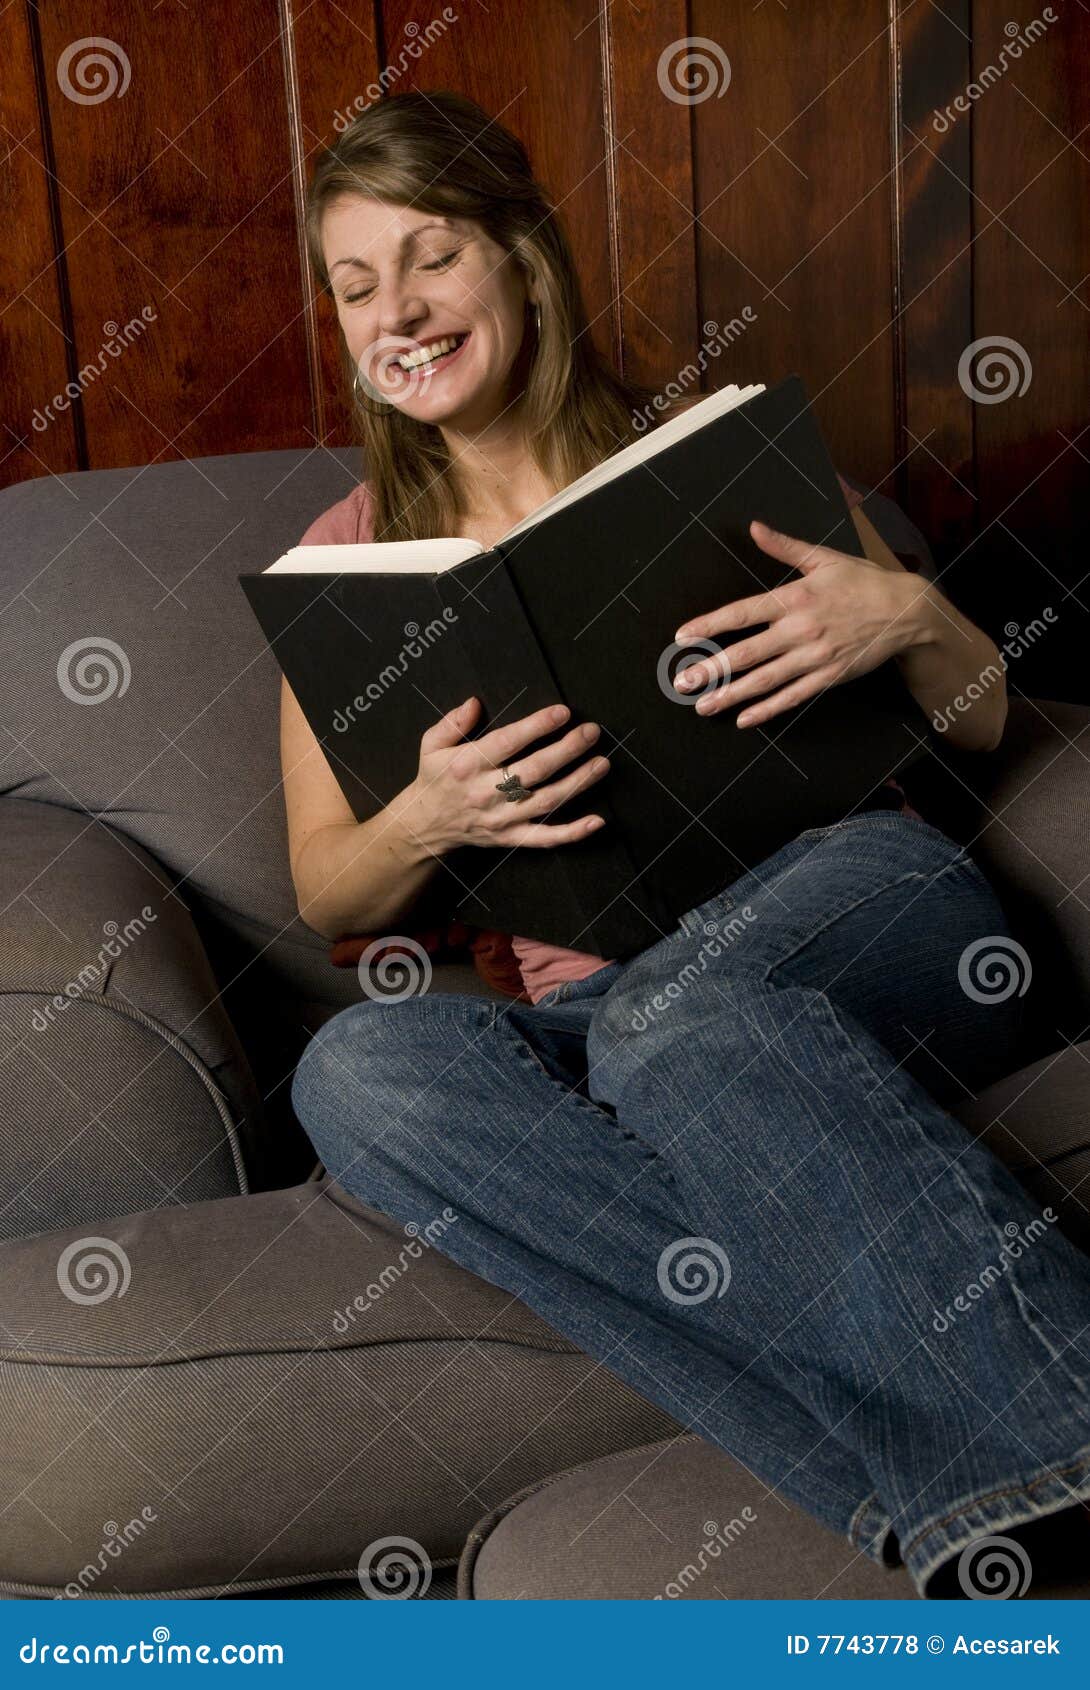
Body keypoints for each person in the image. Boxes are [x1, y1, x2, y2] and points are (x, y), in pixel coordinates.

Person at [286, 90, 1090, 1599]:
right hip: (601, 1003)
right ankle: (992, 1492)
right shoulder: (350, 562)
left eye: (429, 255)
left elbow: (984, 723)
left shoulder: (707, 450)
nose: (395, 309)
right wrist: (426, 814)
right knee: (355, 1070)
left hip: (866, 898)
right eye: (353, 284)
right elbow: (329, 882)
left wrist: (909, 615)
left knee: (685, 1011)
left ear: (522, 259)